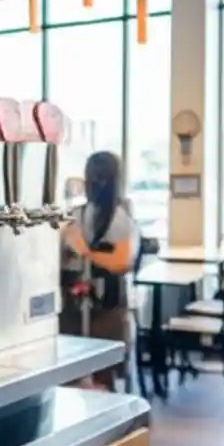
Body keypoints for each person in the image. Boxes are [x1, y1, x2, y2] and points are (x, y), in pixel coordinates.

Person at [61, 151, 139, 391]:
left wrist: (85, 251)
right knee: (73, 371)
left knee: (105, 371)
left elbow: (121, 261)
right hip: (75, 306)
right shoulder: (77, 215)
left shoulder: (120, 218)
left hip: (108, 308)